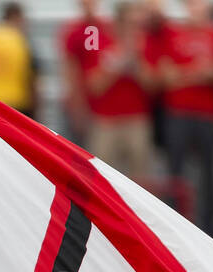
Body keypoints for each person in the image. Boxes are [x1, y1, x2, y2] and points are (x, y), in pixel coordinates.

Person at [150, 0, 213, 235]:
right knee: (176, 172)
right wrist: (199, 73)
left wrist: (211, 73)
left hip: (208, 115)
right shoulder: (172, 33)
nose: (196, 8)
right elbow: (165, 76)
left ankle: (209, 231)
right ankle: (174, 229)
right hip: (178, 113)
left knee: (210, 174)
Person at [85, 2, 156, 182]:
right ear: (118, 22)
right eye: (129, 23)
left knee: (140, 178)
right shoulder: (98, 40)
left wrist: (136, 63)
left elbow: (153, 85)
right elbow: (94, 85)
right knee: (101, 178)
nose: (133, 28)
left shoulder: (145, 42)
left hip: (137, 120)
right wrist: (116, 64)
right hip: (106, 122)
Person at [59, 0, 113, 145]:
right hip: (83, 101)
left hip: (100, 105)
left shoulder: (104, 28)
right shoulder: (74, 31)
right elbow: (70, 68)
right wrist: (77, 104)